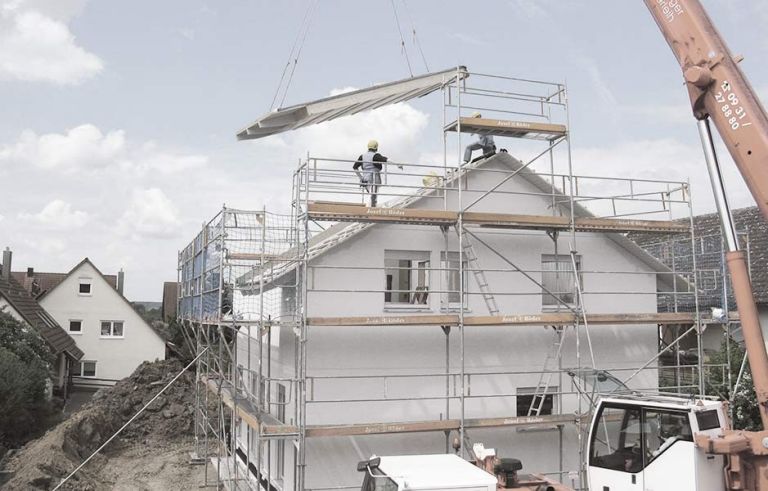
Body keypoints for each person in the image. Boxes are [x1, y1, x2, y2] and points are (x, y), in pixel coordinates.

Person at [353, 139, 388, 207]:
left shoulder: (362, 156)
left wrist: (361, 178)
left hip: (366, 180)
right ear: (376, 147)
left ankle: (372, 206)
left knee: (372, 195)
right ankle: (370, 208)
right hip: (374, 179)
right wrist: (398, 164)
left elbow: (355, 167)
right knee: (373, 195)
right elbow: (386, 159)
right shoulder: (375, 156)